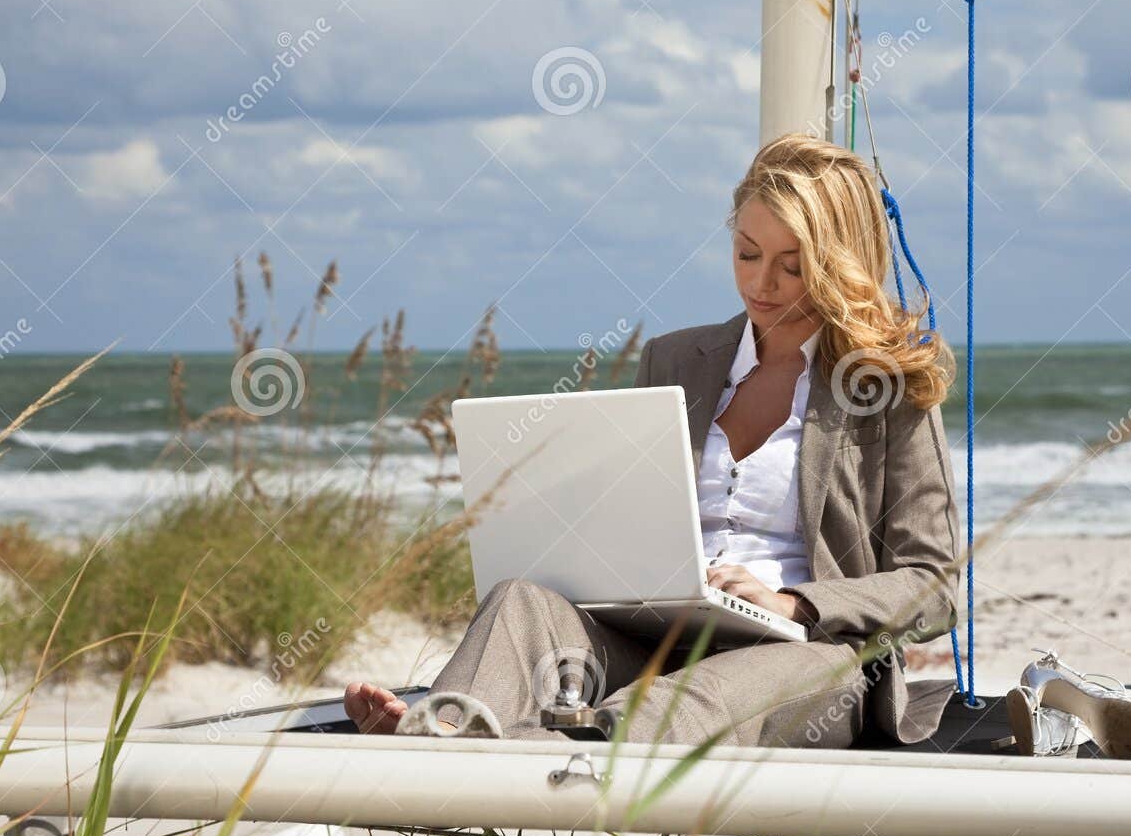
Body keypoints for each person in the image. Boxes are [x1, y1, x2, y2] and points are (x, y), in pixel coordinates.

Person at [345, 133, 961, 749]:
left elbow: (933, 586)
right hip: (655, 642)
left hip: (809, 661)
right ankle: (446, 729)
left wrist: (792, 603)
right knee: (519, 602)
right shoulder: (675, 360)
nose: (763, 282)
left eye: (792, 265)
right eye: (747, 255)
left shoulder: (888, 387)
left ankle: (552, 752)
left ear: (836, 262)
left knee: (696, 694)